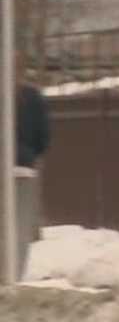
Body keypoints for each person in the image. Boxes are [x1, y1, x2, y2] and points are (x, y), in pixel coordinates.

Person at [16, 80, 50, 282]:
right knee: (19, 228)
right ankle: (13, 276)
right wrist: (28, 154)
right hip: (23, 168)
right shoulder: (31, 95)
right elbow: (43, 136)